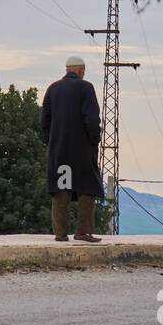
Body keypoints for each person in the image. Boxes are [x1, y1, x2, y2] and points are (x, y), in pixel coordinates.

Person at [41, 56, 104, 242]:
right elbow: (91, 119)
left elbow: (45, 120)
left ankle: (60, 233)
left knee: (62, 187)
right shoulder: (86, 88)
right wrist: (94, 141)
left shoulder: (53, 89)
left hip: (59, 149)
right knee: (87, 187)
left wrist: (51, 141)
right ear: (80, 70)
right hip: (82, 149)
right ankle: (83, 232)